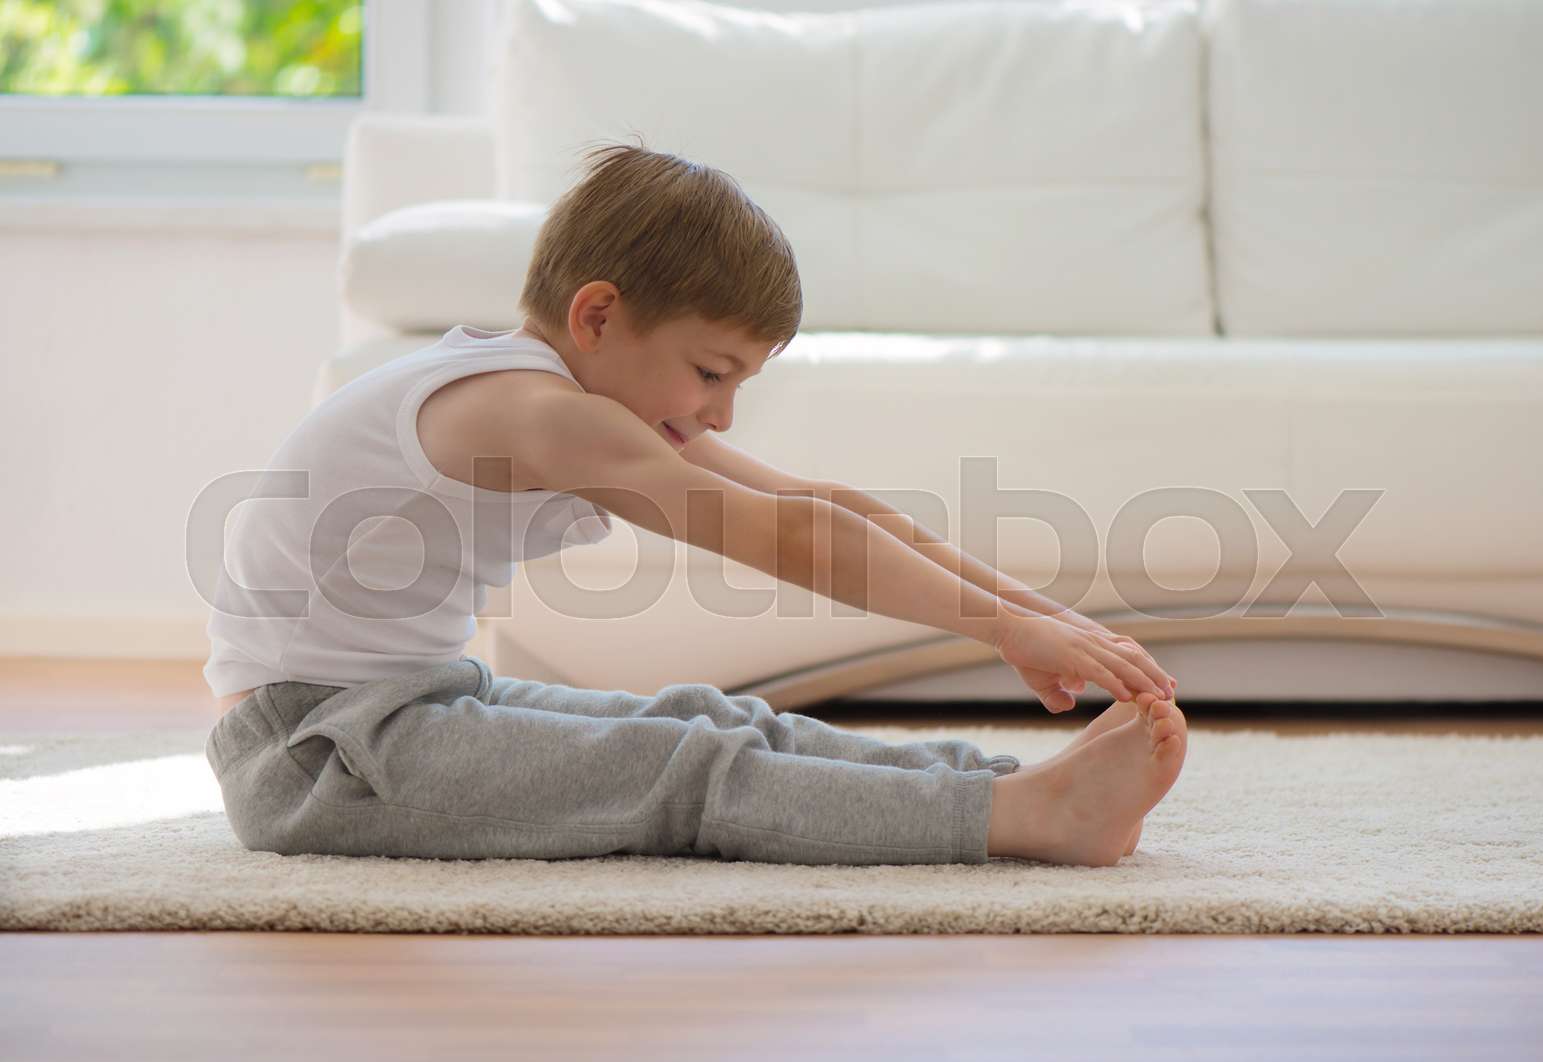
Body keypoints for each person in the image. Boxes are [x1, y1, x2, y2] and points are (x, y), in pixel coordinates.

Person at [202, 138, 1186, 869]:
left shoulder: (573, 392)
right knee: (673, 767)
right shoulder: (534, 412)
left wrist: (1039, 620)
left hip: (411, 705)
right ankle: (1018, 823)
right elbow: (792, 538)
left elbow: (824, 505)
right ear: (598, 317)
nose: (717, 410)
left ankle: (995, 783)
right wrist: (1007, 626)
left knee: (706, 718)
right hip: (314, 755)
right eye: (710, 371)